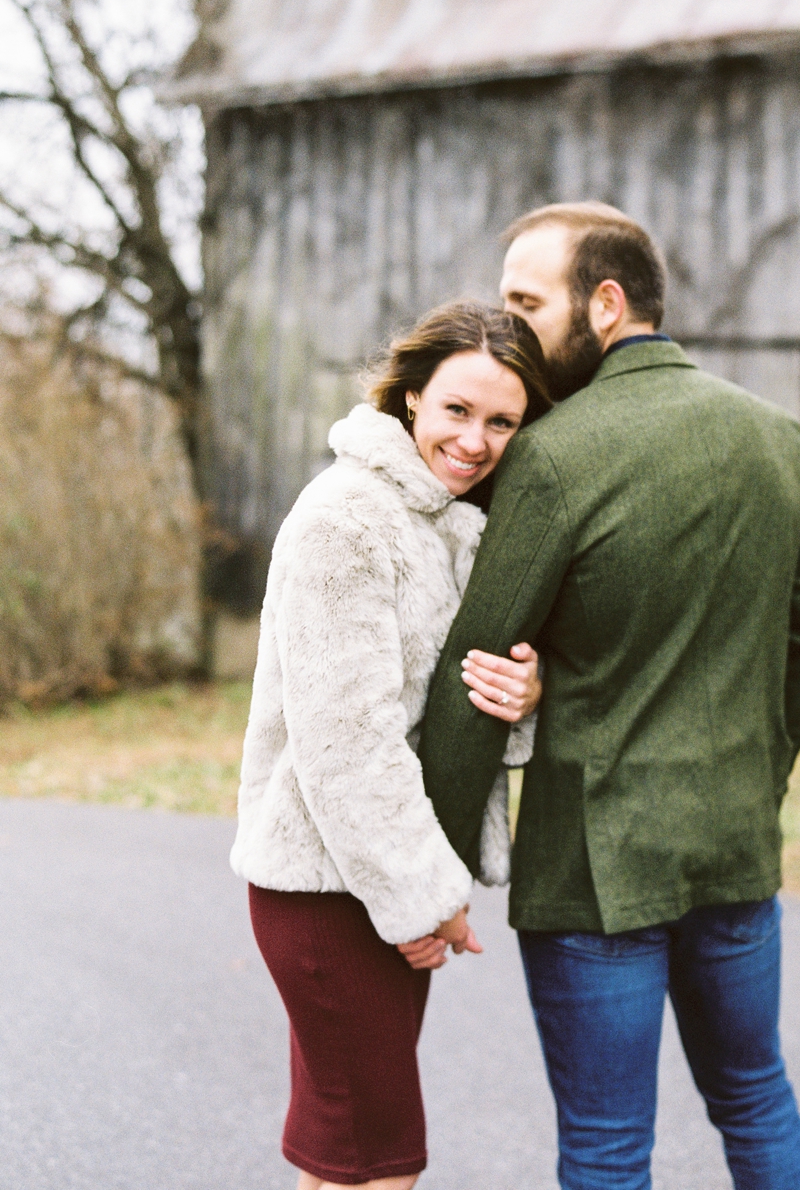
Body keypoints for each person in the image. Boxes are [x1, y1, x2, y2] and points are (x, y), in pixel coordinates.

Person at [415, 203, 800, 1190]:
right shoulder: (772, 435)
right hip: (735, 843)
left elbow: (472, 679)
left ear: (605, 304)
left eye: (527, 302)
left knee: (609, 1149)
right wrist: (753, 765)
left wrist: (425, 872)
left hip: (594, 863)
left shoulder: (553, 457)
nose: (510, 326)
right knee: (755, 1096)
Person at [231, 300, 552, 1190]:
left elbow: (443, 698)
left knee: (345, 1159)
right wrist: (423, 897)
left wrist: (521, 694)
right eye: (457, 409)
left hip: (366, 885)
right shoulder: (348, 519)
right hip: (330, 892)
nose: (476, 438)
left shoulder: (451, 523)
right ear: (411, 397)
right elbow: (348, 747)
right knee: (379, 1161)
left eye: (501, 421)